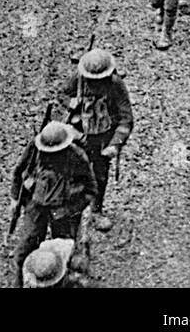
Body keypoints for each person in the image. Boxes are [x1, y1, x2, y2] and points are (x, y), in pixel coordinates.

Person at [11, 121, 98, 287]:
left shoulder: (77, 156)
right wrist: (15, 199)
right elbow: (18, 172)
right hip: (36, 206)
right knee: (24, 251)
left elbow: (90, 191)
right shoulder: (34, 149)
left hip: (62, 210)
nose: (50, 155)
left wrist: (68, 210)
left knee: (63, 255)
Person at [61, 48, 134, 228]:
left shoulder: (115, 85)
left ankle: (96, 211)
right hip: (79, 136)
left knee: (100, 176)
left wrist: (115, 145)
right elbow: (61, 96)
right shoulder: (77, 79)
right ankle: (71, 212)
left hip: (102, 139)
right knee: (73, 174)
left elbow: (126, 118)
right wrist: (69, 105)